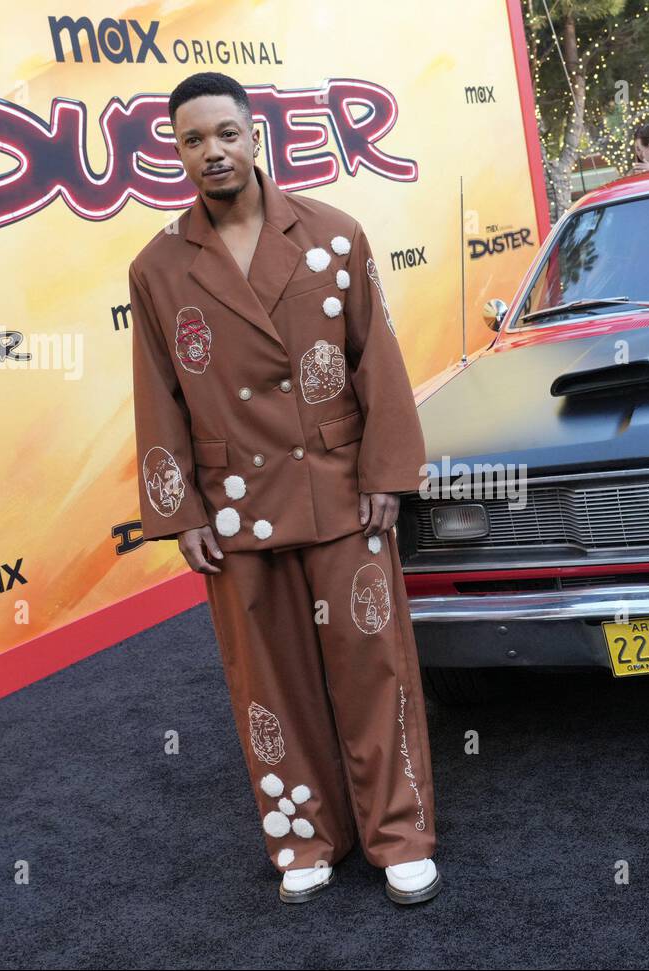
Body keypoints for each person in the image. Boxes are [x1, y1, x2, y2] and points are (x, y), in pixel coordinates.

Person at [128, 72, 443, 903]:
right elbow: (156, 391)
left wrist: (385, 473)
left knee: (374, 667)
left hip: (342, 491)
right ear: (178, 150)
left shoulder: (334, 235)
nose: (211, 152)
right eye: (193, 139)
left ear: (254, 134)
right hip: (235, 509)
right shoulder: (158, 269)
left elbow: (378, 359)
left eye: (225, 133)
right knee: (268, 685)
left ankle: (400, 833)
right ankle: (305, 840)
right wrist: (181, 509)